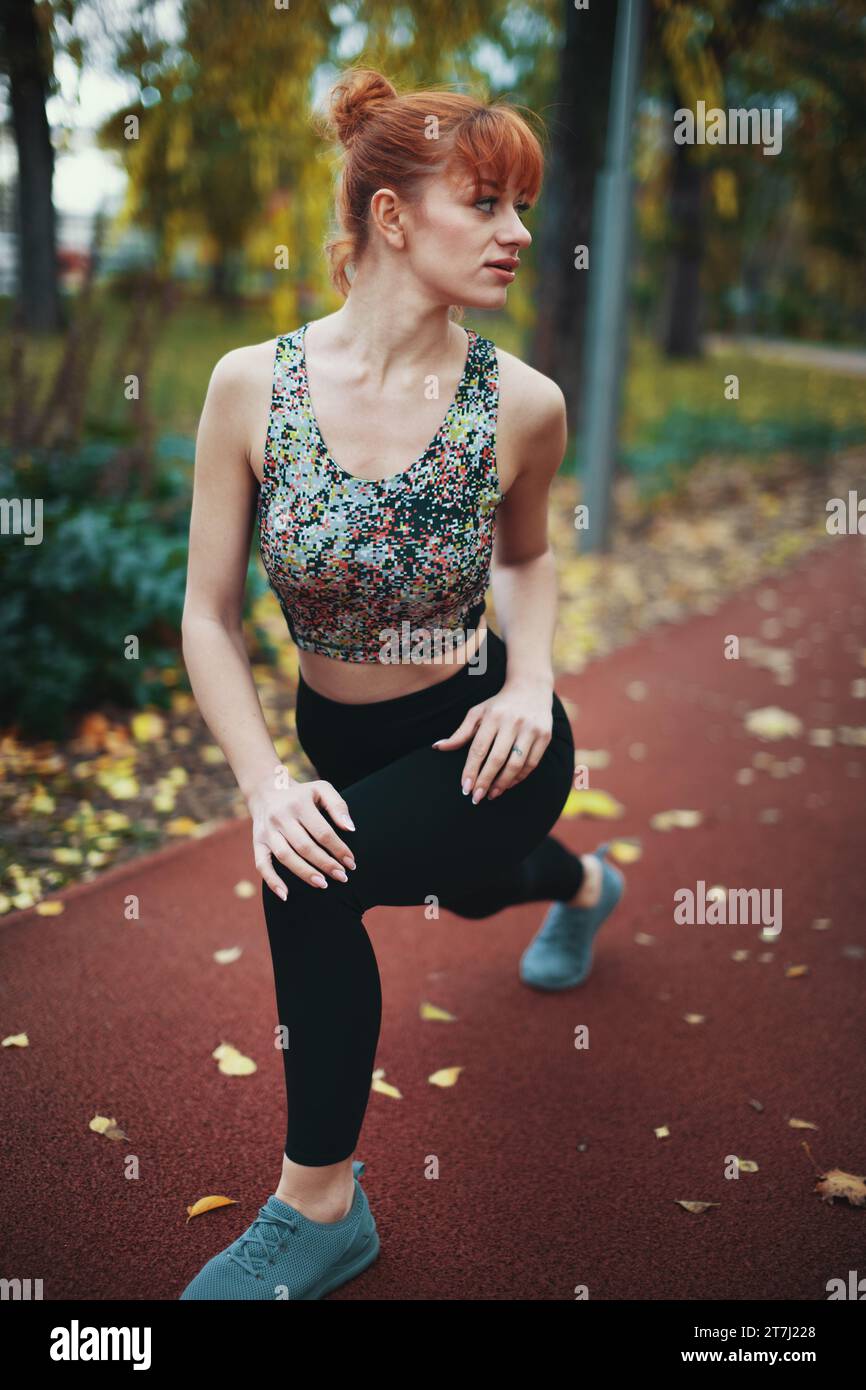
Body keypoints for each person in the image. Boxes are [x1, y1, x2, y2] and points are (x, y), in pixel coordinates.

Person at [178, 65, 624, 1302]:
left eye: (520, 207)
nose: (518, 234)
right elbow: (206, 617)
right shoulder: (246, 386)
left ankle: (320, 1206)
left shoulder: (520, 403)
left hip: (487, 732)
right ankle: (582, 883)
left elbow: (529, 560)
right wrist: (265, 780)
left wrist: (531, 683)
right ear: (388, 218)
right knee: (474, 889)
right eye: (484, 203)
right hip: (335, 737)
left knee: (309, 879)